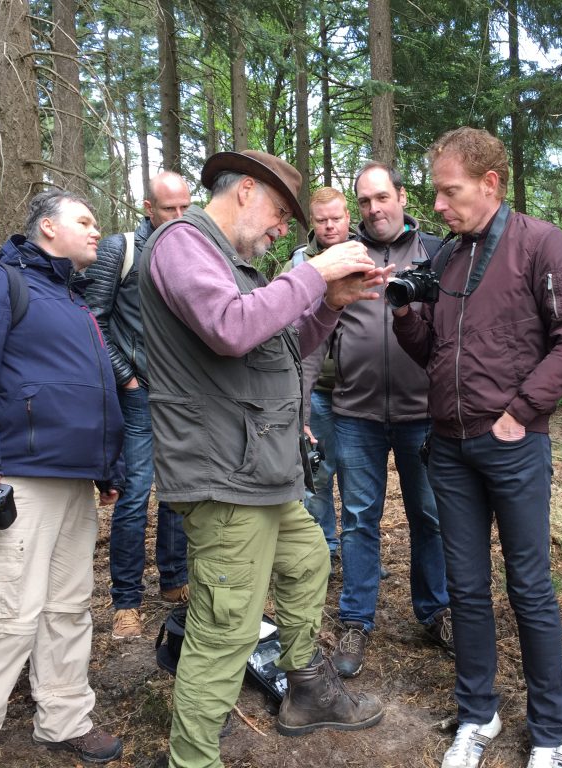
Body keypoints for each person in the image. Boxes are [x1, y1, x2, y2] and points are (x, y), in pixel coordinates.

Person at [139, 149, 387, 768]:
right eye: (280, 212)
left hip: (263, 470)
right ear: (246, 191)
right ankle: (192, 760)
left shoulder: (239, 266)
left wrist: (331, 303)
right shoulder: (181, 243)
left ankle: (305, 691)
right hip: (222, 475)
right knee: (225, 629)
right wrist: (312, 273)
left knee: (306, 560)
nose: (283, 229)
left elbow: (274, 346)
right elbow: (229, 327)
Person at [393, 127, 562, 768]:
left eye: (450, 192)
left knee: (530, 587)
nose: (439, 206)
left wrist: (521, 411)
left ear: (490, 184)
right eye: (435, 193)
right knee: (467, 587)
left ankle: (549, 733)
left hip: (511, 445)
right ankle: (477, 716)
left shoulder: (540, 243)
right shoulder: (449, 257)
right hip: (449, 448)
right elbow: (432, 354)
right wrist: (406, 314)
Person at [0, 188, 126, 768]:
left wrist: (108, 469)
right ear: (46, 228)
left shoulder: (74, 298)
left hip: (73, 482)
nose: (96, 231)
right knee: (4, 617)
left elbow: (94, 395)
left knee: (68, 608)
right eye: (84, 221)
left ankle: (62, 720)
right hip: (17, 483)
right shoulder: (0, 282)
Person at [323, 162, 451, 678]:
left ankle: (436, 610)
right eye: (365, 201)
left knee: (431, 515)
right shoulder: (341, 256)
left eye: (382, 197)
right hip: (356, 411)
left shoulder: (437, 252)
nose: (374, 208)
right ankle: (355, 620)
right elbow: (318, 322)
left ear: (401, 195)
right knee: (357, 518)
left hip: (423, 413)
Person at [85, 170, 192, 641]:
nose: (180, 217)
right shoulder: (119, 249)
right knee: (134, 496)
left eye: (186, 207)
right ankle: (125, 599)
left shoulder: (192, 246)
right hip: (138, 393)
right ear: (148, 208)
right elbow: (93, 319)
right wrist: (124, 376)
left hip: (182, 394)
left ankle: (173, 580)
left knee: (178, 493)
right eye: (170, 209)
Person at [286, 186, 355, 562]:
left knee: (357, 475)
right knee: (319, 472)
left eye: (336, 218)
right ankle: (324, 547)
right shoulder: (300, 263)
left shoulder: (367, 254)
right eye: (322, 220)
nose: (330, 226)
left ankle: (358, 547)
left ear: (348, 217)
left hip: (360, 389)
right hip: (317, 388)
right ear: (313, 221)